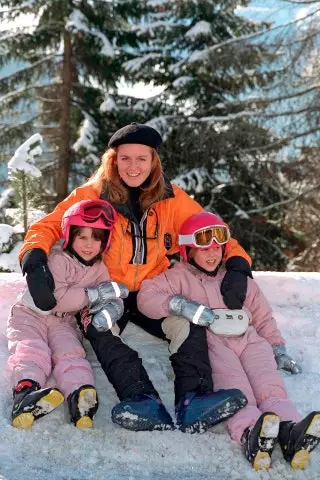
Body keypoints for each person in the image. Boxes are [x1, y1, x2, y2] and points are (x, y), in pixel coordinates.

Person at [18, 122, 252, 432]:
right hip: (104, 288)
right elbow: (47, 226)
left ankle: (193, 400)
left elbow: (209, 229)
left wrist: (237, 263)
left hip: (152, 290)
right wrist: (34, 259)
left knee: (188, 322)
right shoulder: (92, 193)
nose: (133, 166)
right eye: (125, 158)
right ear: (113, 160)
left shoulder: (172, 199)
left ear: (154, 161)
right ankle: (141, 400)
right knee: (101, 329)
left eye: (141, 158)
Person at [137, 211, 320, 470]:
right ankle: (250, 432)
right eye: (204, 249)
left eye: (217, 248)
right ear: (188, 250)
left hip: (250, 341)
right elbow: (146, 297)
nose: (212, 254)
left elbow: (263, 317)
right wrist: (177, 304)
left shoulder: (236, 280)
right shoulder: (179, 276)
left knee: (270, 386)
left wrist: (277, 348)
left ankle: (290, 431)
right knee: (237, 389)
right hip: (216, 344)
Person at [7, 199, 128, 429]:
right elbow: (58, 299)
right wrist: (93, 294)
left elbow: (106, 297)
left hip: (63, 323)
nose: (88, 244)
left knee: (71, 353)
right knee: (33, 349)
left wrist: (111, 308)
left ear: (105, 241)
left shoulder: (100, 269)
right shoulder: (57, 259)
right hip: (30, 315)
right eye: (82, 236)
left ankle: (80, 396)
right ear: (69, 235)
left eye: (96, 238)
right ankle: (26, 392)